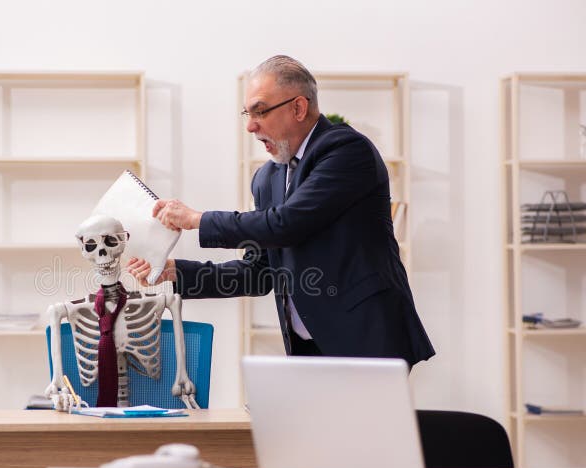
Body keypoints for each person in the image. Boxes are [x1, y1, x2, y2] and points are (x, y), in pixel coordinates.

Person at [127, 55, 434, 368]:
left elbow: (287, 224)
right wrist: (176, 271)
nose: (250, 126)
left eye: (260, 111)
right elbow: (260, 272)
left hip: (367, 339)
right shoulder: (267, 178)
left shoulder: (346, 151)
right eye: (247, 114)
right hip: (309, 347)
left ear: (298, 107)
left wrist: (198, 220)